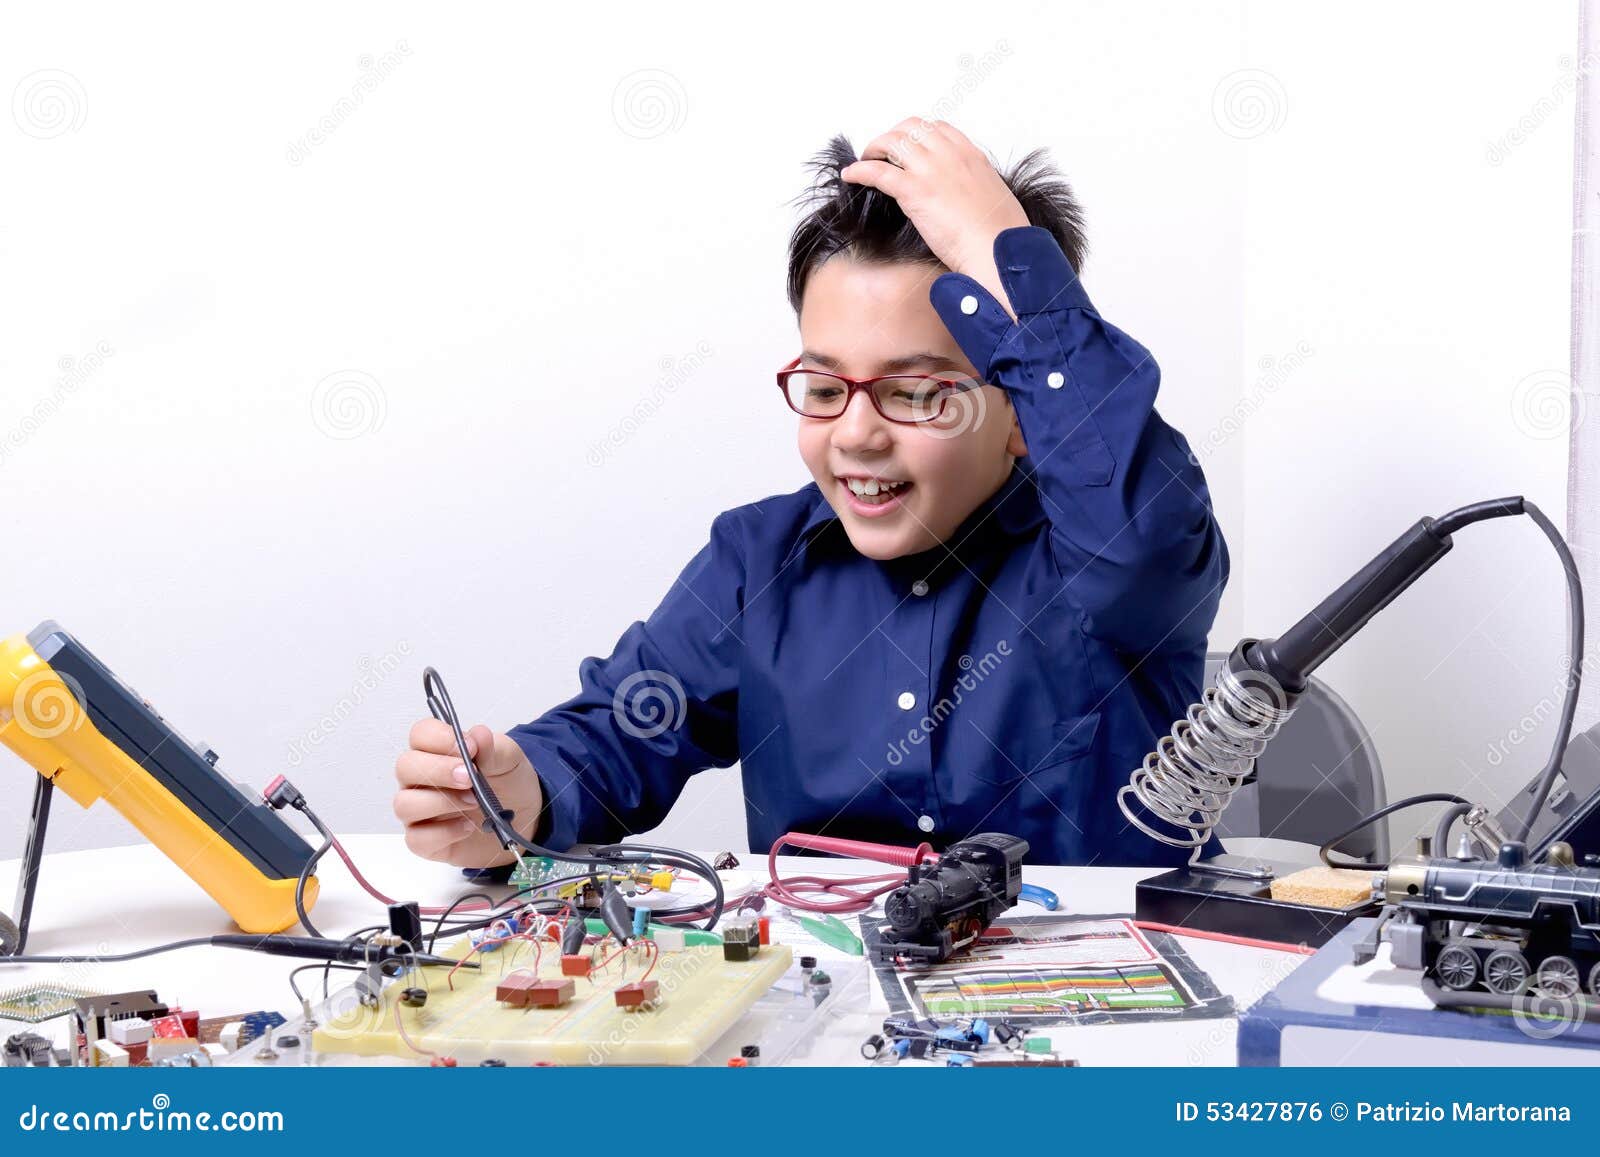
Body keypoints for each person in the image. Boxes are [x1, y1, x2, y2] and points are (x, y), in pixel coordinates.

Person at [393, 118, 1227, 869]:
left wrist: (1007, 261)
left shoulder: (1113, 553)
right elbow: (623, 727)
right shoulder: (756, 563)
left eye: (915, 393)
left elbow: (1139, 545)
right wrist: (519, 791)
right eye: (826, 388)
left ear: (1020, 412)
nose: (857, 433)